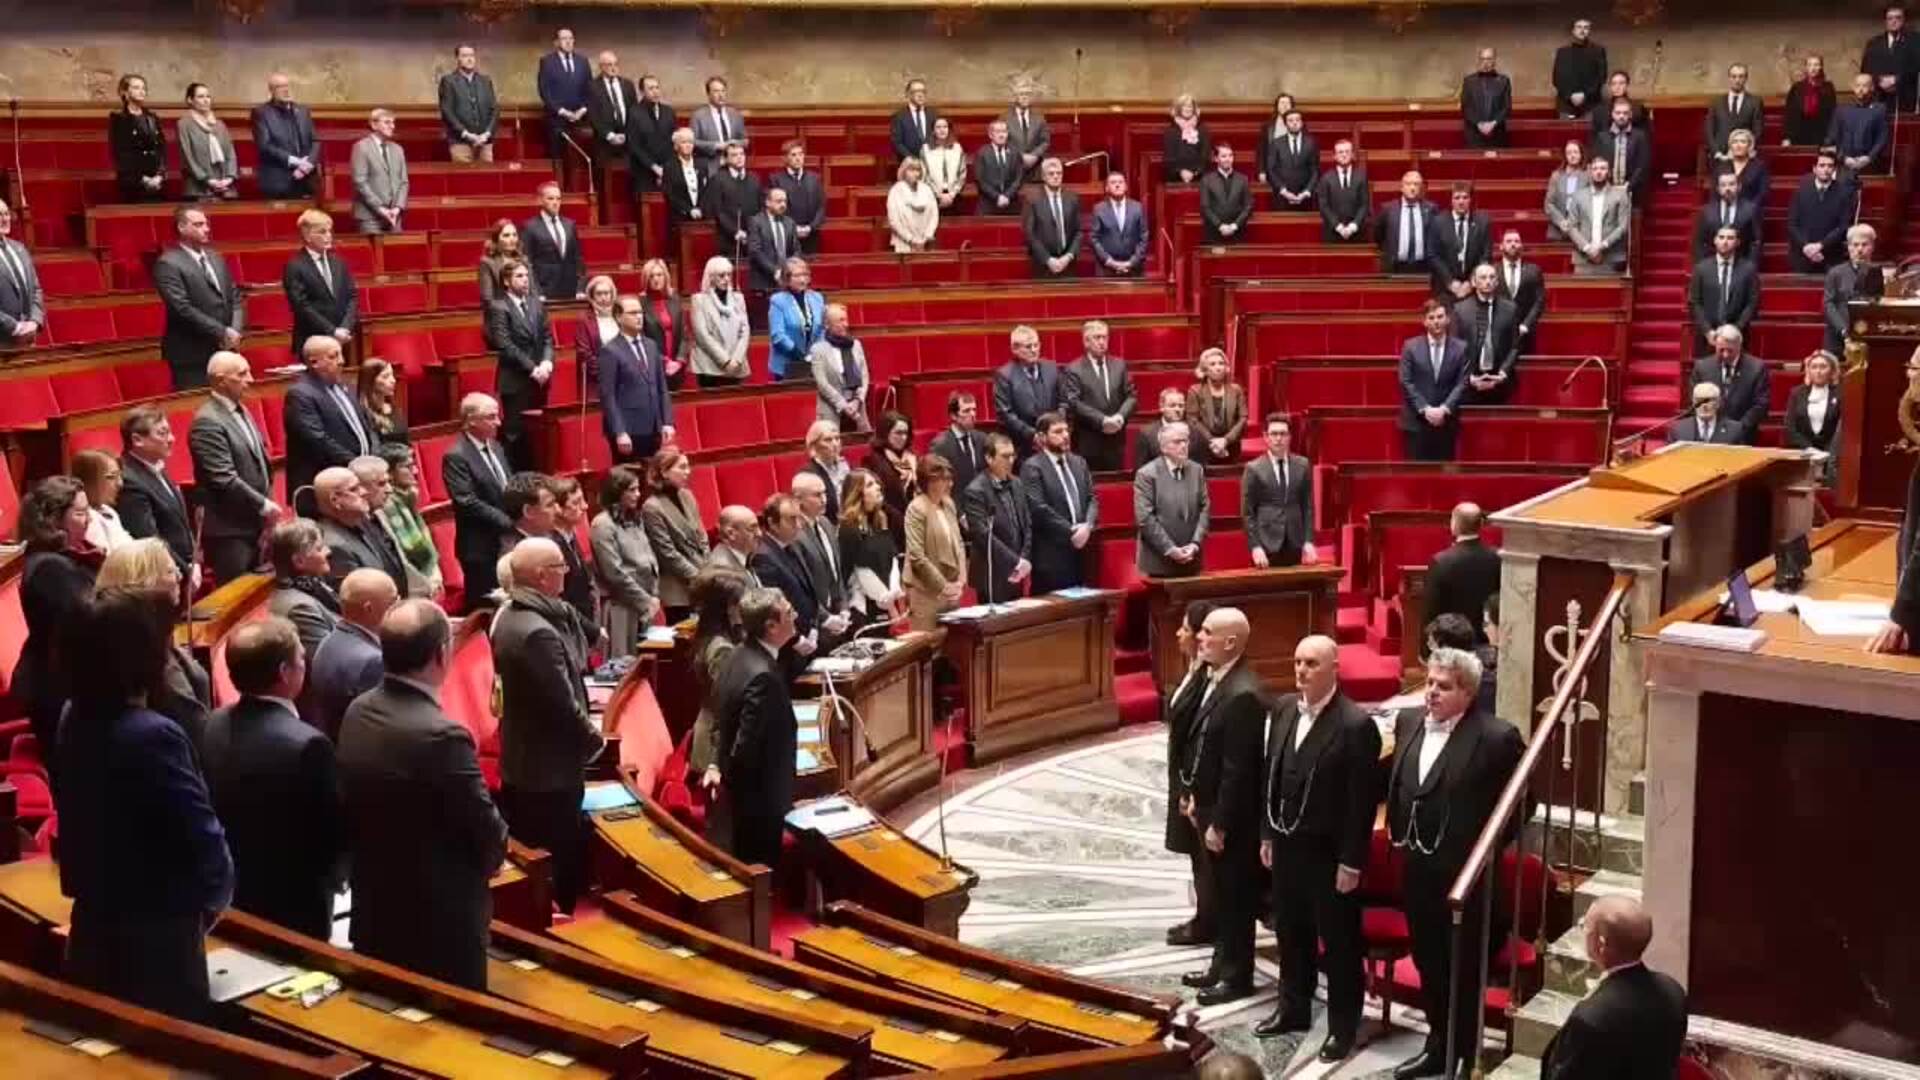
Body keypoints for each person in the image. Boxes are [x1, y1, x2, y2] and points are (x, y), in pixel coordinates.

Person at [56, 587, 231, 1023]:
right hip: (158, 942)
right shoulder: (153, 734)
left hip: (94, 924)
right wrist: (208, 906)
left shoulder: (71, 716)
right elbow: (203, 839)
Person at [339, 600, 507, 991]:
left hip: (378, 902)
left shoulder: (358, 710)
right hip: (439, 921)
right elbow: (483, 822)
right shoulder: (442, 735)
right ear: (441, 655)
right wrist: (494, 856)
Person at [1386, 648, 1524, 1080]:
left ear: (1468, 692)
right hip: (1417, 872)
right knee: (1428, 963)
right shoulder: (1409, 722)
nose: (1430, 693)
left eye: (1442, 687)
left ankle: (1463, 1055)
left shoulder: (1497, 738)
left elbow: (1521, 803)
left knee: (1462, 972)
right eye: (1429, 683)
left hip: (1467, 881)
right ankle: (1436, 1043)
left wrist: (1484, 849)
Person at [1255, 634, 1380, 1060]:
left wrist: (1351, 861)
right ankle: (1293, 1007)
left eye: (1311, 663)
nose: (1302, 671)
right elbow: (1270, 775)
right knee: (1291, 932)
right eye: (1297, 662)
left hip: (1330, 856)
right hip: (1287, 846)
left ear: (1334, 668)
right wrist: (1267, 833)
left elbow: (1360, 804)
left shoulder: (1355, 725)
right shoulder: (1285, 708)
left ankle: (1343, 1028)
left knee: (1340, 945)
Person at [199, 616, 342, 941]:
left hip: (231, 891)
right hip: (295, 903)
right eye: (301, 660)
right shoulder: (308, 744)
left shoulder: (212, 723)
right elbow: (329, 832)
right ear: (284, 673)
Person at [494, 538, 604, 915]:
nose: (568, 571)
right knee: (558, 853)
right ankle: (562, 922)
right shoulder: (538, 631)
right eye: (559, 566)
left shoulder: (510, 615)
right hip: (548, 767)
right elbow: (561, 704)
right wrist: (595, 742)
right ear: (541, 576)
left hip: (526, 757)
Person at [1176, 608, 1266, 1006]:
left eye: (1208, 633)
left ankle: (1237, 976)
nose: (1200, 637)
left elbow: (1238, 769)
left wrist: (1221, 823)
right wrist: (1192, 793)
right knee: (1221, 892)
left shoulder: (1244, 693)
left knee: (1235, 896)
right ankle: (1220, 966)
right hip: (1206, 805)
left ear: (1231, 642)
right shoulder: (1216, 678)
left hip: (1231, 819)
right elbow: (1203, 745)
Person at [1540, 897, 1689, 1079]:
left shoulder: (1590, 1019)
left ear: (1600, 944)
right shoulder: (1673, 990)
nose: (1582, 930)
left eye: (1585, 926)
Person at [13, 477, 103, 760]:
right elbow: (87, 621)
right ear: (52, 519)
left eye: (88, 510)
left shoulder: (65, 558)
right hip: (57, 689)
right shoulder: (49, 567)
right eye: (79, 513)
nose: (88, 519)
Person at [710, 588, 799, 867]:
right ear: (771, 627)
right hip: (760, 802)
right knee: (759, 871)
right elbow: (745, 749)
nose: (795, 615)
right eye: (788, 613)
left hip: (747, 798)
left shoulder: (739, 655)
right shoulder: (763, 677)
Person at [93, 539, 211, 743]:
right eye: (169, 571)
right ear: (146, 582)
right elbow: (194, 727)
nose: (179, 576)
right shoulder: (143, 658)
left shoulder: (159, 637)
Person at [190, 352, 277, 582]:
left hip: (252, 521)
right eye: (242, 374)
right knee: (236, 596)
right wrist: (264, 505)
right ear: (220, 380)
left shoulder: (241, 410)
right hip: (229, 531)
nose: (250, 379)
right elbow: (223, 478)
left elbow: (260, 460)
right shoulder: (207, 422)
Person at [1162, 600, 1218, 948]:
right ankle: (1204, 916)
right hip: (1182, 778)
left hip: (1194, 783)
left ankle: (1208, 921)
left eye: (1185, 627)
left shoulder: (1206, 679)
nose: (1179, 633)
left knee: (1204, 858)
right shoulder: (1194, 671)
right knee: (1196, 857)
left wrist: (1189, 788)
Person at [154, 205, 244, 390]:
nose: (206, 228)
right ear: (181, 227)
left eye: (206, 224)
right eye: (198, 224)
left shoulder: (215, 257)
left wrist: (234, 331)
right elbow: (181, 308)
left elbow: (234, 296)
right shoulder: (168, 263)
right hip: (191, 354)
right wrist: (221, 331)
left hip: (224, 349)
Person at [686, 568, 749, 816]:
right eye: (739, 602)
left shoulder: (717, 637)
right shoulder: (721, 648)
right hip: (716, 744)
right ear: (727, 608)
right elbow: (730, 704)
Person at [309, 567, 398, 739]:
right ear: (369, 608)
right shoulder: (372, 662)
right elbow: (385, 727)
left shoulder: (329, 641)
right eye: (394, 600)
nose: (398, 606)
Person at [443, 393, 515, 601]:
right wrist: (506, 521)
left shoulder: (496, 447)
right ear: (471, 420)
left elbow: (506, 485)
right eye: (491, 417)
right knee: (485, 608)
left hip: (504, 541)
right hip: (479, 548)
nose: (498, 422)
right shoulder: (456, 456)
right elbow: (466, 501)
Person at [1019, 412, 1096, 594]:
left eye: (1066, 430)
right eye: (1058, 432)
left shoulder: (1079, 462)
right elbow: (1038, 508)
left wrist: (1088, 526)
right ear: (1042, 437)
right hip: (1051, 555)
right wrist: (1072, 531)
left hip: (1082, 551)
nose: (1065, 436)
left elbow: (1092, 498)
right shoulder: (1032, 466)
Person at [489, 260, 554, 470]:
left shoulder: (536, 304)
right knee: (515, 435)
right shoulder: (499, 306)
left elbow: (547, 338)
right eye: (519, 276)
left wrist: (546, 362)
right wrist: (532, 368)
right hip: (515, 381)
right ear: (507, 281)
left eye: (526, 275)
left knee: (537, 433)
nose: (525, 280)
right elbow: (504, 344)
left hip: (540, 380)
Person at [116, 405, 194, 576]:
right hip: (164, 574)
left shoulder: (155, 465)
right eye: (162, 433)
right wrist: (184, 569)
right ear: (137, 440)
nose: (172, 438)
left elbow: (179, 521)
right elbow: (149, 539)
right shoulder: (130, 481)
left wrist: (193, 561)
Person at [598, 293, 676, 463]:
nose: (639, 317)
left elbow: (661, 387)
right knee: (630, 482)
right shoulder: (610, 351)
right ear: (619, 317)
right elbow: (608, 396)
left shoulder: (651, 345)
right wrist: (619, 431)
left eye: (640, 312)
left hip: (653, 427)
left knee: (651, 479)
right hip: (628, 431)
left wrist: (667, 421)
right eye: (633, 313)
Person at [591, 467, 660, 656]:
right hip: (621, 607)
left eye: (638, 489)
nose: (637, 495)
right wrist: (645, 600)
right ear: (616, 491)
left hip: (644, 604)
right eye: (631, 490)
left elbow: (649, 559)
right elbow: (613, 572)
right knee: (624, 664)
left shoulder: (635, 519)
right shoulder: (603, 524)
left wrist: (653, 594)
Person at [751, 493, 831, 654]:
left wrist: (815, 626)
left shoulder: (794, 545)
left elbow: (808, 591)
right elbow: (776, 606)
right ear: (772, 523)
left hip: (810, 636)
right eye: (792, 519)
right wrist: (797, 639)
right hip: (790, 647)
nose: (799, 525)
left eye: (799, 518)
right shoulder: (763, 557)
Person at [962, 434, 1034, 604]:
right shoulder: (975, 491)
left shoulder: (1016, 483)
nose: (1010, 461)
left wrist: (1024, 558)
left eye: (1012, 455)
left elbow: (1027, 524)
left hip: (1018, 571)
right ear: (989, 458)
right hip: (992, 574)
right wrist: (1015, 561)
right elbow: (982, 534)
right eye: (1004, 456)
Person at [315, 465, 409, 593]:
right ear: (335, 500)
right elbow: (361, 600)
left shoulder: (362, 521)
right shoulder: (335, 547)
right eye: (354, 489)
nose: (364, 492)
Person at [642, 449, 709, 623]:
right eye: (682, 467)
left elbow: (701, 534)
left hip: (702, 575)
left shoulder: (687, 496)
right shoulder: (652, 507)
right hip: (678, 589)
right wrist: (697, 576)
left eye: (688, 466)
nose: (688, 471)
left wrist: (707, 567)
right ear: (664, 472)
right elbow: (667, 553)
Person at [1135, 423, 1210, 578]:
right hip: (1159, 563)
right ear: (1163, 448)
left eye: (1186, 441)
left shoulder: (1196, 470)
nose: (1183, 446)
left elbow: (1205, 508)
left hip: (1192, 559)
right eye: (1177, 442)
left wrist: (1195, 544)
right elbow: (1145, 518)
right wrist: (1170, 549)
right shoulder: (1147, 474)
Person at [1399, 299, 1469, 461]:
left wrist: (1444, 409)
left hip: (1446, 423)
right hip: (1416, 423)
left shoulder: (1461, 348)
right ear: (1424, 321)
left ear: (1447, 319)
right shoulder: (1410, 347)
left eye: (1440, 317)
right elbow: (1406, 381)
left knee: (1444, 478)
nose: (1436, 322)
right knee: (1416, 477)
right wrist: (1425, 409)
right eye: (1431, 318)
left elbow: (1462, 382)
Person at [1242, 414, 1315, 568]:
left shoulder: (1302, 465)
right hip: (1267, 545)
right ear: (1266, 437)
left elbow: (1307, 506)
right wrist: (1255, 546)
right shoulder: (1254, 469)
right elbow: (1248, 513)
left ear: (1290, 437)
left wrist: (1309, 541)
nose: (1278, 438)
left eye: (1283, 434)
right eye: (1274, 434)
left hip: (1295, 542)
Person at [1064, 320, 1137, 472]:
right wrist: (1102, 421)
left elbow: (1131, 396)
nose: (1102, 342)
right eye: (1097, 338)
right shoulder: (1074, 369)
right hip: (1088, 441)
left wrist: (1120, 417)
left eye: (1105, 337)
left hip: (1115, 440)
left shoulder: (1119, 365)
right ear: (1086, 341)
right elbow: (1074, 402)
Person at [903, 454, 965, 631]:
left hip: (952, 590)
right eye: (944, 480)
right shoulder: (916, 508)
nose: (950, 484)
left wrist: (960, 582)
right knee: (927, 648)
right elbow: (917, 556)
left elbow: (959, 543)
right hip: (926, 593)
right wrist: (943, 586)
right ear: (929, 482)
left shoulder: (949, 504)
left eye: (950, 479)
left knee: (953, 646)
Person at [284, 208, 359, 356]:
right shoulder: (295, 266)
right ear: (307, 236)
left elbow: (352, 296)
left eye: (330, 231)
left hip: (343, 340)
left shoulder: (339, 263)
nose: (328, 236)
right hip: (312, 343)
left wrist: (345, 327)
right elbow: (302, 307)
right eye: (322, 232)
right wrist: (332, 331)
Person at [266, 519, 341, 667]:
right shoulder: (299, 609)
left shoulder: (314, 586)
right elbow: (326, 665)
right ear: (299, 561)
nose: (328, 551)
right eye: (319, 549)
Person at [1425, 503, 1501, 640]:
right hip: (1488, 641)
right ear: (1481, 525)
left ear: (1453, 524)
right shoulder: (1498, 557)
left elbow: (1432, 611)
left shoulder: (1441, 561)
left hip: (1454, 643)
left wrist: (1426, 651)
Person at [376, 443, 442, 599]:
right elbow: (409, 552)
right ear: (390, 473)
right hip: (414, 587)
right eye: (407, 467)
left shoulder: (407, 497)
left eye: (414, 465)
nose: (416, 471)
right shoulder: (388, 505)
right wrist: (429, 581)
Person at [839, 469, 903, 628]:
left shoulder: (880, 518)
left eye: (876, 483)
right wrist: (885, 599)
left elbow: (892, 557)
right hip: (868, 606)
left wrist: (894, 591)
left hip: (890, 598)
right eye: (870, 484)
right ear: (857, 494)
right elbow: (856, 570)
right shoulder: (848, 528)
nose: (878, 487)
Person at [1689, 325, 1768, 444]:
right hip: (1709, 436)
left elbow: (1761, 404)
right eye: (1721, 350)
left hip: (1743, 436)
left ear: (1739, 346)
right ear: (1715, 345)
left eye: (1730, 350)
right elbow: (1695, 400)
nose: (1725, 355)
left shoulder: (1756, 368)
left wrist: (1737, 429)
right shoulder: (1702, 367)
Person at [1456, 263, 1522, 404]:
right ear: (1474, 282)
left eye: (1492, 277)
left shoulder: (1510, 309)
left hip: (1500, 381)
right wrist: (1469, 377)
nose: (1488, 281)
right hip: (1469, 382)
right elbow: (1455, 348)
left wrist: (1503, 373)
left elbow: (1515, 346)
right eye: (1483, 277)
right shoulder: (1460, 309)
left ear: (1497, 282)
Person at [993, 325, 1062, 458]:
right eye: (1028, 346)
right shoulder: (1004, 375)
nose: (1034, 350)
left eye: (1036, 345)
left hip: (1053, 440)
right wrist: (1033, 435)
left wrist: (1054, 430)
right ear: (1015, 349)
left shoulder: (1051, 368)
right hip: (1023, 445)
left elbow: (1063, 402)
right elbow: (1005, 414)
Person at [1689, 227, 1761, 352]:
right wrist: (1708, 331)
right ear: (1715, 240)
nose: (1725, 242)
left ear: (1737, 242)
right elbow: (1695, 302)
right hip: (1707, 338)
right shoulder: (1701, 269)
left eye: (1730, 238)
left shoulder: (1748, 269)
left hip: (1738, 336)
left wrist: (1735, 329)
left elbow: (1752, 302)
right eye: (1721, 237)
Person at [1787, 151, 1859, 274]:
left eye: (1830, 166)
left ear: (1834, 170)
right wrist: (1806, 247)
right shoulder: (1801, 191)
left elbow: (1843, 226)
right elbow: (1792, 224)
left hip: (1831, 256)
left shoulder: (1844, 194)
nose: (1826, 169)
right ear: (1814, 169)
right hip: (1803, 255)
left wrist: (1821, 246)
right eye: (1822, 165)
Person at [251, 74, 318, 199]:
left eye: (287, 85)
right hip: (278, 181)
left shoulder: (303, 111)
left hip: (306, 179)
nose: (286, 89)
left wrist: (307, 165)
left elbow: (315, 141)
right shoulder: (261, 113)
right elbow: (264, 146)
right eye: (280, 87)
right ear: (271, 91)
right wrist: (295, 162)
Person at [690, 255, 751, 387]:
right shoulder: (699, 300)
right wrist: (725, 361)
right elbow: (702, 336)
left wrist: (736, 360)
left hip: (736, 366)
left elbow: (745, 331)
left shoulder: (738, 298)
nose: (727, 279)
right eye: (721, 276)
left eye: (729, 275)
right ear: (711, 277)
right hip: (709, 367)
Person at [1825, 223, 1885, 353]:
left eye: (1864, 245)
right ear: (1848, 247)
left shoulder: (1876, 272)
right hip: (1838, 335)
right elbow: (1828, 304)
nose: (1860, 249)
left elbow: (1878, 301)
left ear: (1872, 247)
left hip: (1866, 333)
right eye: (1855, 245)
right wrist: (1843, 329)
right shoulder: (1835, 273)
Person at [810, 302, 869, 431]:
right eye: (840, 321)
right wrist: (843, 405)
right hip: (831, 412)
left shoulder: (856, 345)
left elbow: (864, 376)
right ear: (827, 325)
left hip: (857, 409)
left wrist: (858, 400)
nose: (845, 325)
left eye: (846, 320)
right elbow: (822, 384)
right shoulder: (818, 350)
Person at [349, 108, 408, 233]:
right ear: (374, 124)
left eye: (393, 122)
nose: (392, 126)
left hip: (394, 215)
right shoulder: (361, 147)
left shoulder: (398, 149)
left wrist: (397, 208)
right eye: (387, 122)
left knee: (398, 251)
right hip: (369, 217)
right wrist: (381, 209)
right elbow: (360, 182)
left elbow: (404, 182)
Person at [1568, 156, 1630, 276]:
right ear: (1590, 172)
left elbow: (1623, 226)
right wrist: (1587, 248)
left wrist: (1602, 246)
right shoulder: (1578, 196)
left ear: (1609, 172)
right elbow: (1571, 226)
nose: (1599, 172)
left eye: (1603, 168)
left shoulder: (1620, 195)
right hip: (1583, 259)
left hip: (1611, 257)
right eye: (1595, 169)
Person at [536, 27, 591, 163]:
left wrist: (582, 110)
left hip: (580, 119)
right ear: (556, 42)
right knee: (558, 160)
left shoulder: (582, 61)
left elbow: (589, 89)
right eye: (564, 38)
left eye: (570, 38)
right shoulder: (547, 62)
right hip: (557, 120)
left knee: (579, 160)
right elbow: (545, 91)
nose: (568, 42)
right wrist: (563, 112)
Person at [109, 74, 166, 202]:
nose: (142, 91)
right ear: (125, 92)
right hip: (133, 183)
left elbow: (161, 148)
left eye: (143, 88)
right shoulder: (119, 118)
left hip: (156, 182)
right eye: (136, 87)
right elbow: (120, 153)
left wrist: (160, 175)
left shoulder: (152, 117)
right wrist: (142, 179)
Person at [767, 256, 825, 383]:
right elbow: (778, 336)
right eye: (797, 276)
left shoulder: (817, 298)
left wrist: (814, 353)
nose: (803, 279)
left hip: (813, 362)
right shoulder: (778, 301)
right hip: (786, 365)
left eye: (805, 275)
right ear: (787, 278)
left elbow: (822, 329)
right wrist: (799, 355)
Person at [1186, 347, 1247, 467]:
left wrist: (1226, 440)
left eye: (1221, 363)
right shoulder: (1195, 391)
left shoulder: (1236, 390)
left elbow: (1243, 418)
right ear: (1205, 369)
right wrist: (1212, 441)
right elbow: (1192, 420)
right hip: (1204, 446)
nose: (1218, 367)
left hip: (1231, 446)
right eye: (1212, 364)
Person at [523, 182, 584, 300]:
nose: (555, 202)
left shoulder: (570, 224)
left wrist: (580, 288)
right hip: (545, 291)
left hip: (570, 290)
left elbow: (578, 259)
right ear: (540, 200)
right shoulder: (530, 227)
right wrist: (537, 292)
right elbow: (527, 263)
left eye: (558, 198)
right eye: (550, 198)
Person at [1430, 183, 1492, 300]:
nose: (1461, 202)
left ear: (1470, 200)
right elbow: (1433, 255)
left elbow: (1486, 255)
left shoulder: (1482, 222)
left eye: (1465, 197)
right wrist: (1450, 282)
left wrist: (1471, 282)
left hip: (1474, 288)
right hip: (1445, 287)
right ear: (1451, 200)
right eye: (1457, 198)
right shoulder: (1438, 222)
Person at [177, 83, 238, 200]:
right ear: (190, 100)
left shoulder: (219, 124)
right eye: (201, 97)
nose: (206, 100)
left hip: (225, 187)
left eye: (208, 96)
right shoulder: (184, 124)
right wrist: (208, 180)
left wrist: (229, 178)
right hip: (198, 189)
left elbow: (230, 153)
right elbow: (187, 157)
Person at [438, 44, 498, 162]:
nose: (469, 59)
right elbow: (447, 112)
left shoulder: (485, 80)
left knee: (488, 178)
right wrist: (466, 134)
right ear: (457, 59)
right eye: (465, 56)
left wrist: (486, 134)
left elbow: (494, 110)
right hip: (460, 142)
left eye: (472, 55)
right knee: (464, 179)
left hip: (484, 141)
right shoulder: (449, 81)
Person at [1023, 157, 1081, 279]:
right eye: (1051, 173)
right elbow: (1029, 233)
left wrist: (1069, 256)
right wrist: (1048, 259)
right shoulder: (1032, 199)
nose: (1056, 176)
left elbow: (1078, 232)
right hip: (1043, 265)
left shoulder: (1072, 198)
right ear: (1043, 177)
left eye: (1059, 173)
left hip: (1068, 265)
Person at [703, 143, 761, 260]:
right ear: (725, 159)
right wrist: (735, 231)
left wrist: (753, 232)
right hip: (727, 239)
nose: (739, 157)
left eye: (741, 154)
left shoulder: (754, 179)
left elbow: (760, 208)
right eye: (734, 155)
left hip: (753, 238)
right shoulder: (718, 180)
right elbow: (717, 211)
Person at [637, 260, 690, 385]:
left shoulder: (674, 298)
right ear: (646, 279)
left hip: (677, 366)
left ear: (665, 276)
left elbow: (684, 334)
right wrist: (665, 362)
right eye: (651, 276)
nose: (656, 279)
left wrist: (679, 361)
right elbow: (641, 338)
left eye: (659, 275)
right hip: (653, 365)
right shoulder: (641, 303)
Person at [1494, 231, 1547, 357]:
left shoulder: (1533, 270)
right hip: (1498, 333)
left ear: (1522, 246)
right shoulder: (1492, 271)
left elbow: (1539, 301)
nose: (1513, 244)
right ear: (1501, 246)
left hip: (1526, 334)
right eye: (1509, 241)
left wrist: (1526, 325)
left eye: (1516, 241)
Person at [769, 140, 827, 255]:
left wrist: (810, 227)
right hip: (787, 236)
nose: (798, 158)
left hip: (811, 236)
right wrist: (794, 228)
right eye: (793, 155)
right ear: (785, 158)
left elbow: (821, 207)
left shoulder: (814, 178)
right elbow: (774, 209)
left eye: (800, 154)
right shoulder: (776, 179)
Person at [0, 198, 43, 352]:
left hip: (28, 341)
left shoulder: (20, 248)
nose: (5, 219)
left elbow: (36, 289)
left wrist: (35, 321)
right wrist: (15, 327)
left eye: (6, 214)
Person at [868, 413, 918, 545]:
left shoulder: (911, 458)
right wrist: (903, 521)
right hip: (893, 527)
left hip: (916, 523)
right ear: (885, 433)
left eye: (906, 433)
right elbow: (878, 499)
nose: (903, 437)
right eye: (898, 433)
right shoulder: (873, 461)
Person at [1786, 349, 1843, 461]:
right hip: (1802, 454)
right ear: (1808, 370)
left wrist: (1828, 453)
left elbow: (1841, 430)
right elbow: (1790, 427)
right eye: (1814, 367)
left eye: (1823, 367)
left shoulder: (1841, 394)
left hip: (1832, 456)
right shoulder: (1797, 393)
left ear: (1832, 371)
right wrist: (1810, 449)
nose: (1818, 371)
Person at [1592, 98, 1652, 202]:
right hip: (1606, 191)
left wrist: (1628, 186)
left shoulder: (1640, 136)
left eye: (1625, 113)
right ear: (1612, 114)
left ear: (1630, 115)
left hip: (1633, 192)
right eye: (1618, 113)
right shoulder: (1602, 137)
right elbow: (1596, 163)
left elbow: (1642, 166)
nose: (1621, 116)